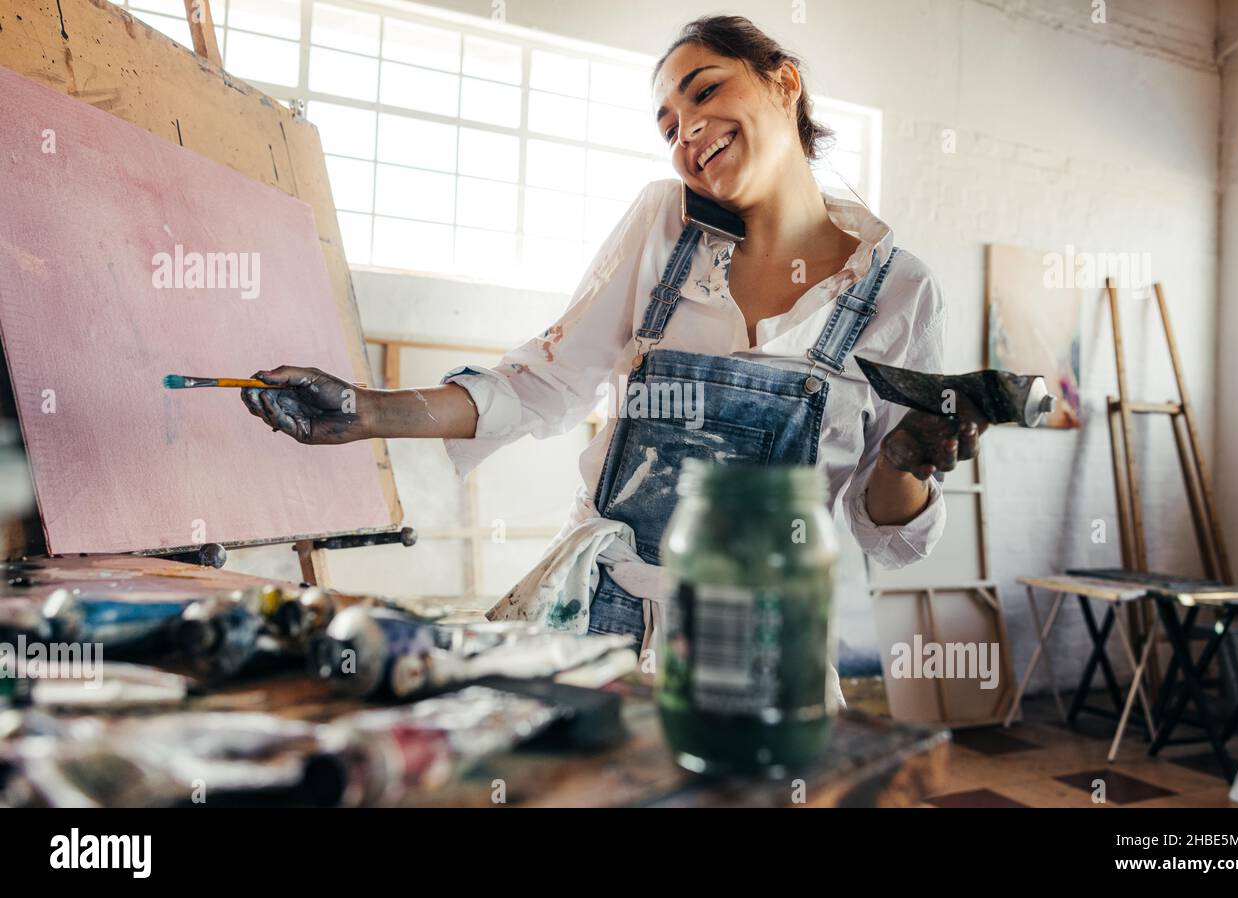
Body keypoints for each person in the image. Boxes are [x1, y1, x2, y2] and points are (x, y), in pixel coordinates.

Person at [241, 15, 984, 669]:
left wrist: (902, 460)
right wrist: (363, 412)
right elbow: (545, 382)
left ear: (783, 83)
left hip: (759, 644)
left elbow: (883, 527)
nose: (686, 128)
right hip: (603, 612)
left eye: (704, 91)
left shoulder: (899, 290)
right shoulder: (666, 226)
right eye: (667, 124)